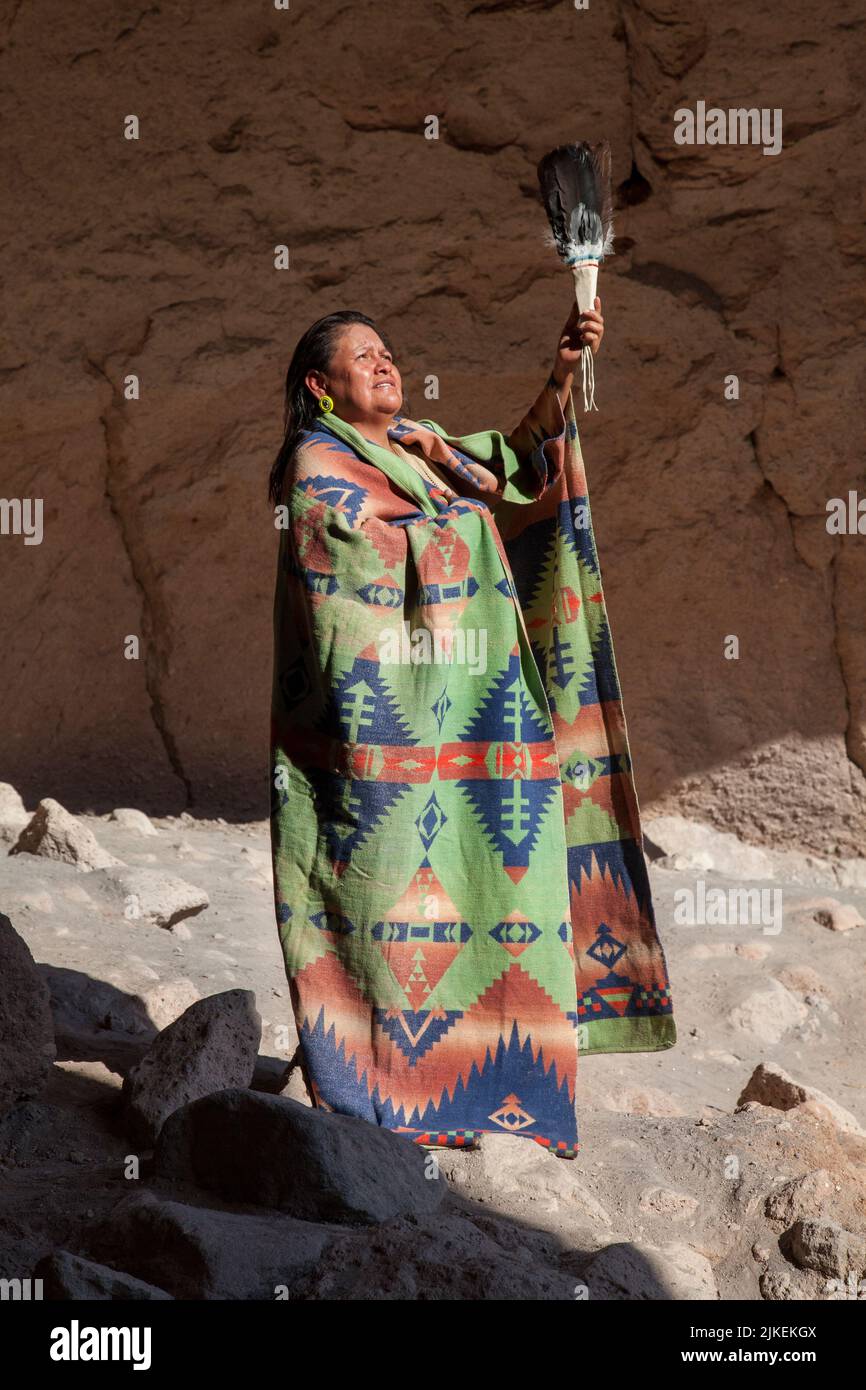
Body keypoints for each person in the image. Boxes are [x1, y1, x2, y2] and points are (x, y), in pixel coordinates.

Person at [268, 301, 675, 1158]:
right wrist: (461, 529)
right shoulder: (318, 462)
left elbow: (513, 472)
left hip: (476, 725)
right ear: (320, 386)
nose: (385, 364)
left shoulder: (414, 444)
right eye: (362, 358)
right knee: (381, 897)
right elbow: (353, 566)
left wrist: (562, 373)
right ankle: (380, 1092)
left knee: (500, 880)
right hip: (380, 737)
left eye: (388, 351)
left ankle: (489, 1091)